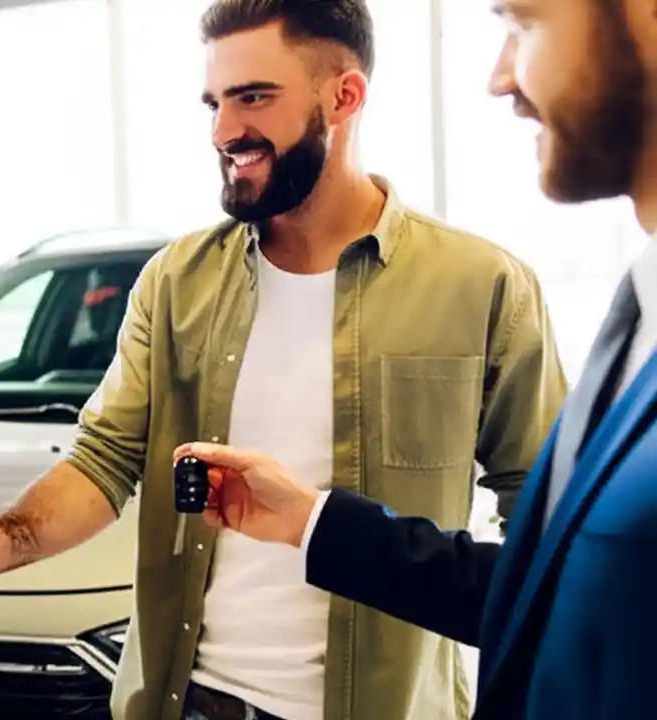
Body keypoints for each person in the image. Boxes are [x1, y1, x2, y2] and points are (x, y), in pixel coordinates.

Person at [0, 1, 567, 719]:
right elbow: (103, 461)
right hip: (195, 704)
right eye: (215, 103)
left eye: (254, 98)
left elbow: (547, 526)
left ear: (344, 96)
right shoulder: (178, 281)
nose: (224, 131)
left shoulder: (482, 286)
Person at [172, 0, 657, 717]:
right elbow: (546, 586)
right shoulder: (638, 309)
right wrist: (313, 520)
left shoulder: (488, 282)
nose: (501, 78)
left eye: (524, 23)